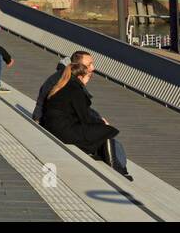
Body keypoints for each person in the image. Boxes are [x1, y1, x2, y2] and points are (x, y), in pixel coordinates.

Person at [40, 52, 132, 181]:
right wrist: (101, 124)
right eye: (89, 76)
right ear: (81, 76)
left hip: (55, 127)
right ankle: (117, 170)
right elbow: (85, 118)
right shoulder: (76, 89)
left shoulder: (64, 83)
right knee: (107, 131)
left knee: (99, 131)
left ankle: (111, 163)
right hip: (64, 131)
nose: (90, 77)